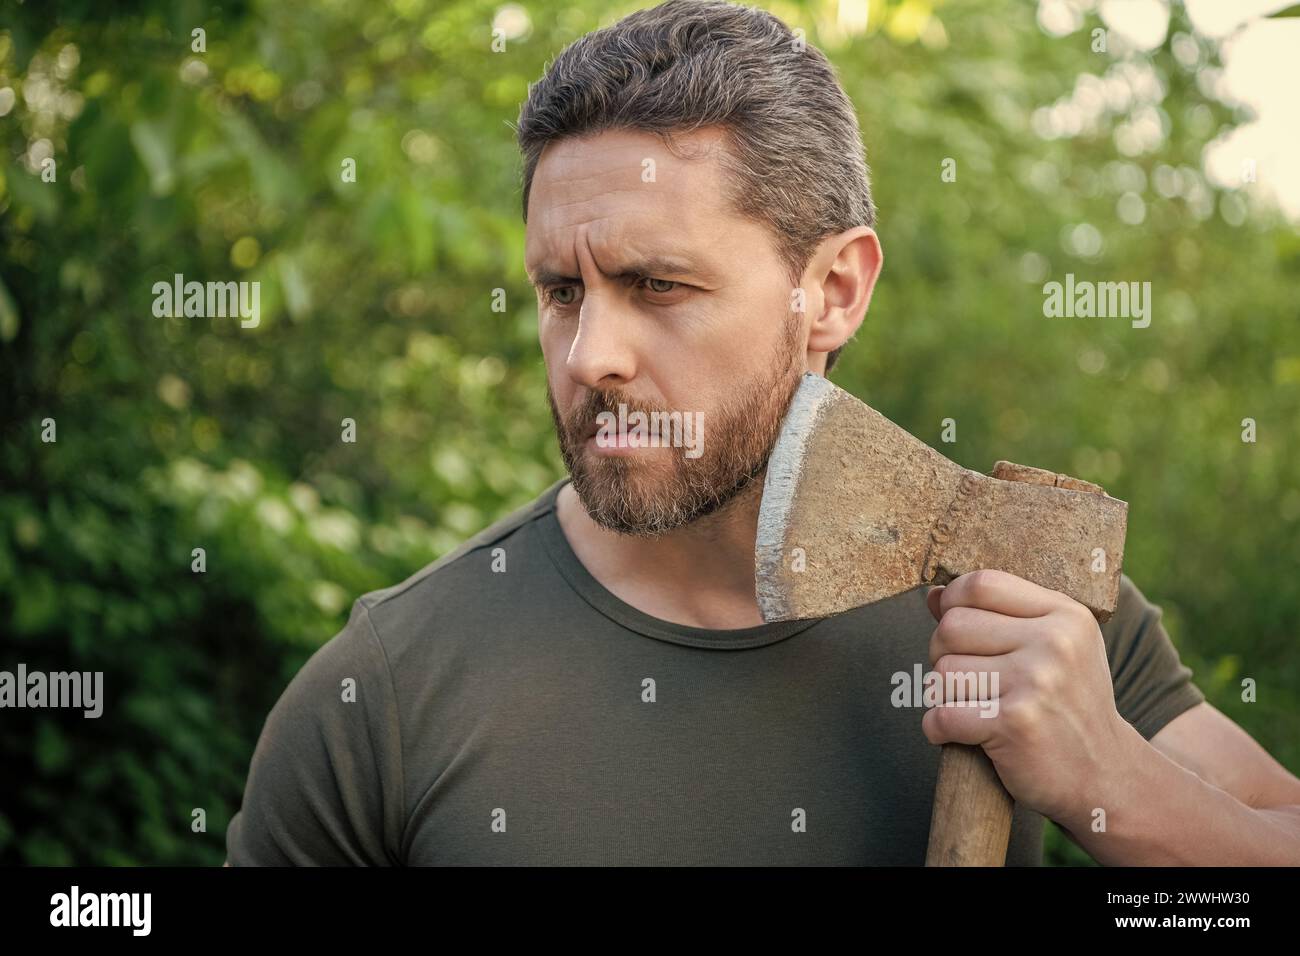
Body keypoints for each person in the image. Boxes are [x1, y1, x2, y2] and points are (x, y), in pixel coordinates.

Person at [225, 0, 1300, 865]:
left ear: (832, 291)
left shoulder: (1023, 604)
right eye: (561, 291)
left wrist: (1113, 783)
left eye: (657, 284)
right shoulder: (384, 693)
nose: (590, 355)